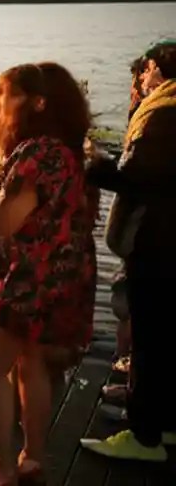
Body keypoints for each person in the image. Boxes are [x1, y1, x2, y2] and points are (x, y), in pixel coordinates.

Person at [0, 63, 97, 485]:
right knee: (34, 364)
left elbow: (5, 223)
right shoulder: (69, 151)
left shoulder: (36, 153)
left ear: (38, 102)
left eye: (6, 95)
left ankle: (3, 468)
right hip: (64, 272)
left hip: (31, 276)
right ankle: (33, 457)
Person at [81, 40, 176, 463]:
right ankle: (166, 423)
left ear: (157, 68)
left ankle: (144, 436)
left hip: (158, 243)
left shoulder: (163, 114)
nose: (141, 79)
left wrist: (96, 162)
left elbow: (136, 179)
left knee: (152, 338)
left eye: (145, 71)